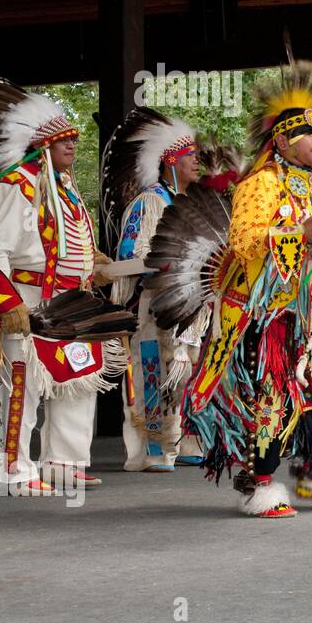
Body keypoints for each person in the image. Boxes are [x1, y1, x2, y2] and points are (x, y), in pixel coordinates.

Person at [182, 61, 312, 517]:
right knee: (272, 395)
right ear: (283, 141)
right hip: (260, 314)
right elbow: (244, 241)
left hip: (304, 310)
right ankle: (260, 485)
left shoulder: (310, 182)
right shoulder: (260, 183)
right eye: (308, 134)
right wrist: (296, 234)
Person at [0, 80, 123, 492]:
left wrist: (91, 263)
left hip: (71, 302)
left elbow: (63, 241)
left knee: (77, 379)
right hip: (27, 299)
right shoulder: (16, 186)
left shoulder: (66, 189)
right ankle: (11, 470)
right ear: (42, 145)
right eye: (65, 141)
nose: (73, 147)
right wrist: (8, 305)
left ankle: (64, 462)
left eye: (76, 141)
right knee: (21, 384)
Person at [103, 108, 206, 472]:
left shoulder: (192, 205)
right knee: (153, 371)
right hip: (154, 305)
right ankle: (154, 449)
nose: (198, 162)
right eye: (192, 156)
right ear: (171, 161)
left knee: (188, 372)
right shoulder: (149, 203)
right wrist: (168, 267)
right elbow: (130, 256)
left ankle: (189, 441)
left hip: (191, 306)